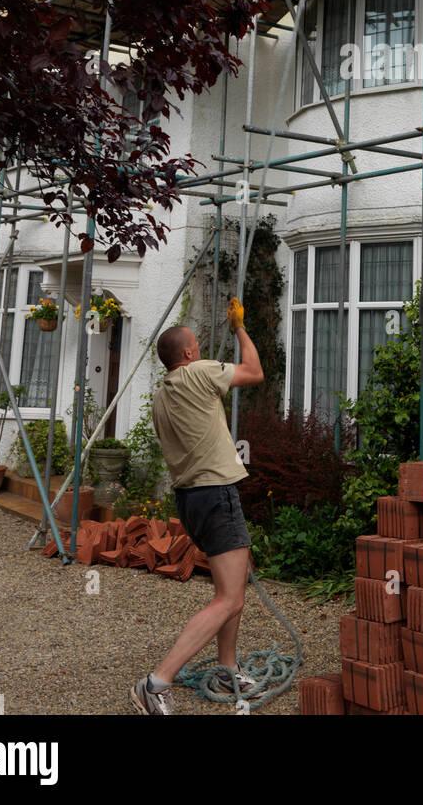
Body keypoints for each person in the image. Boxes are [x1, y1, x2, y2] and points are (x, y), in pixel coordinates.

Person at [129, 297, 264, 716]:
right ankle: (155, 683)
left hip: (190, 499)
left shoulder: (161, 397)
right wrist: (241, 328)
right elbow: (255, 372)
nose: (201, 351)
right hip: (216, 494)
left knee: (231, 591)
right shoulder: (200, 373)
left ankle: (227, 667)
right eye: (197, 347)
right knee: (229, 599)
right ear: (188, 354)